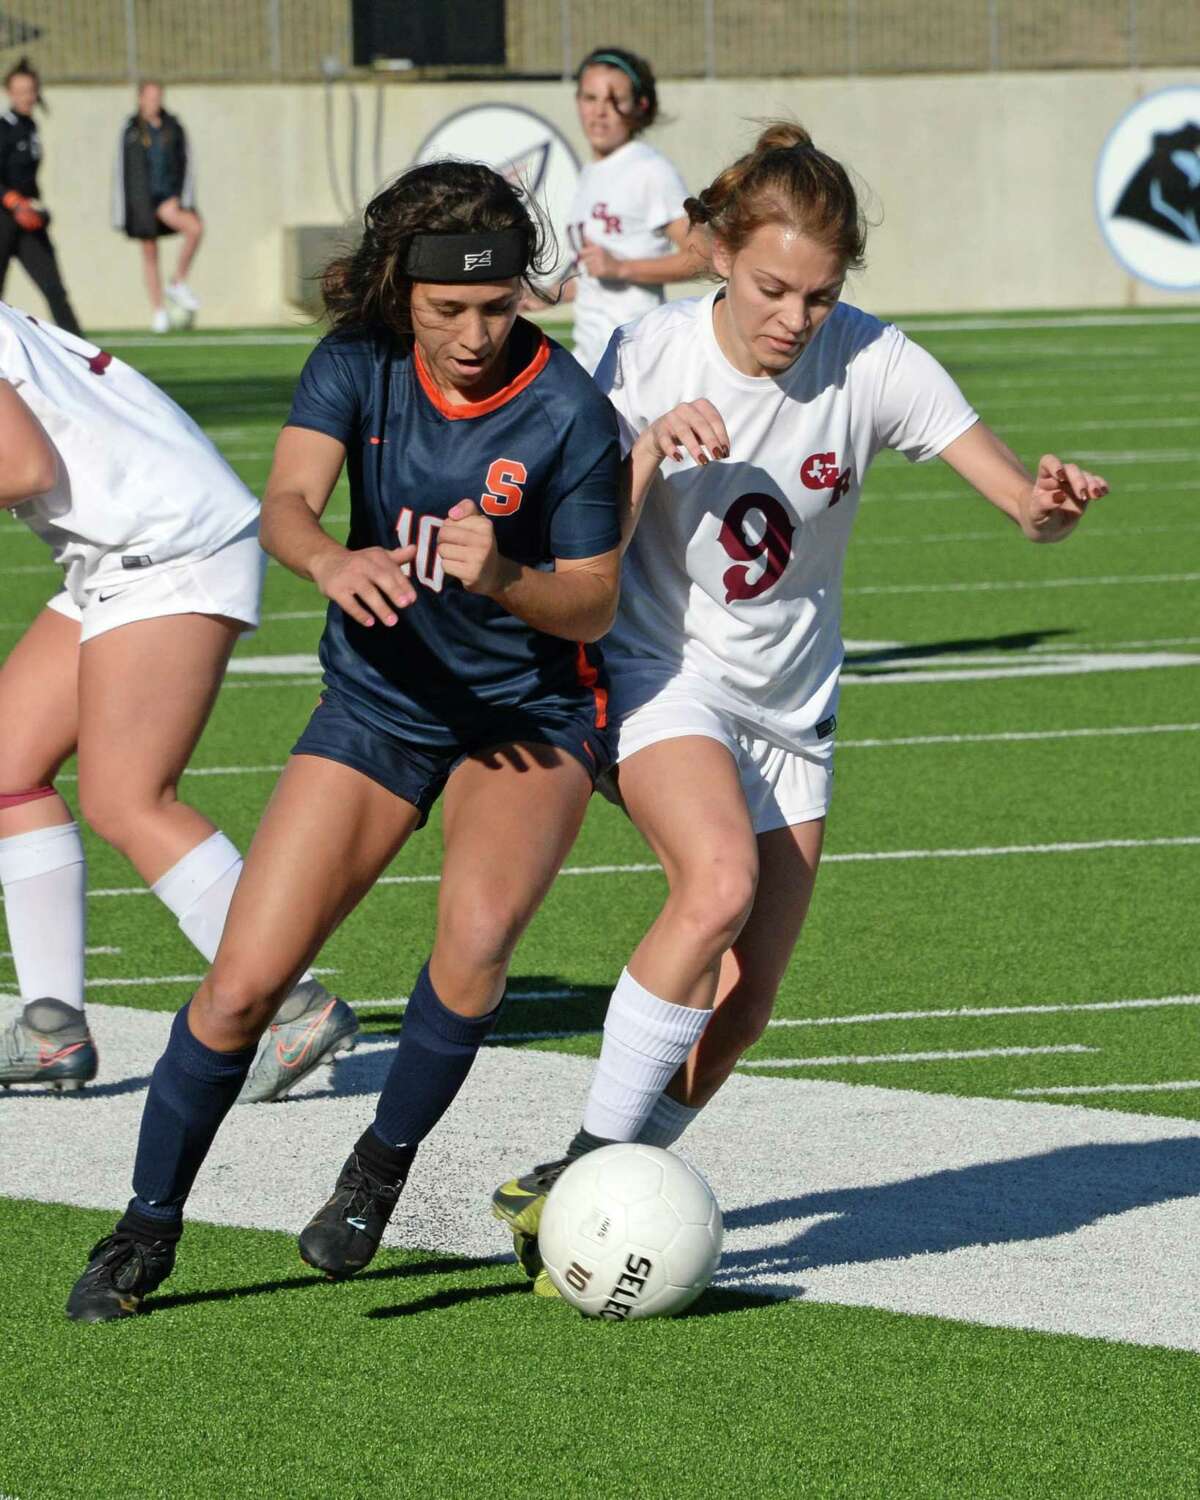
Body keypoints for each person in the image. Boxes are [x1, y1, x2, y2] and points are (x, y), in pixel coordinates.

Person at [491, 122, 1111, 1292]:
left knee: (749, 1003)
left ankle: (593, 1192)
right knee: (715, 887)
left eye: (819, 296)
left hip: (794, 711)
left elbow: (1017, 503)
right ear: (721, 254)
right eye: (773, 287)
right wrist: (644, 455)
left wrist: (1052, 503)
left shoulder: (875, 360)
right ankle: (583, 1179)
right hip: (661, 671)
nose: (794, 317)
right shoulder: (648, 354)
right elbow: (585, 564)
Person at [64, 159, 623, 1323]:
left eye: (500, 305)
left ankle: (379, 1165)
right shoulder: (355, 365)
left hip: (525, 723)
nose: (475, 334)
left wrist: (510, 576)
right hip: (375, 708)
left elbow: (596, 603)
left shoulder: (570, 411)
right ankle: (146, 1224)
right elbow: (283, 504)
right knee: (242, 989)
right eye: (446, 311)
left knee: (473, 944)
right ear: (397, 291)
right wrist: (329, 558)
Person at [0, 304, 357, 1106]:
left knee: (127, 798)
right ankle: (50, 1026)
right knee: (8, 766)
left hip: (166, 544)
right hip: (132, 542)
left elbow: (21, 467)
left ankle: (293, 1000)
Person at [553, 46, 705, 374]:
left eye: (614, 100)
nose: (600, 112)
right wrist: (549, 293)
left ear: (640, 106)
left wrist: (623, 268)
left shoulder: (649, 170)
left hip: (635, 360)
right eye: (590, 98)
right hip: (591, 356)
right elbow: (599, 276)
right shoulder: (590, 174)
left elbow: (703, 255)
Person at [0, 58, 82, 337]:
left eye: (31, 90)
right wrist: (13, 201)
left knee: (54, 287)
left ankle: (81, 358)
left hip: (26, 220)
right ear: (10, 92)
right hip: (4, 218)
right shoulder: (3, 128)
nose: (27, 96)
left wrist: (36, 208)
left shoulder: (31, 126)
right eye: (20, 90)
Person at [113, 80, 203, 334]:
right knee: (150, 253)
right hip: (141, 202)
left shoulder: (172, 127)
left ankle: (177, 282)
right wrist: (127, 211)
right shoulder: (130, 130)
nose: (154, 102)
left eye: (158, 97)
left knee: (194, 228)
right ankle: (159, 311)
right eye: (150, 97)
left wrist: (181, 198)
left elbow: (186, 163)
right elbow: (122, 173)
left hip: (167, 198)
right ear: (140, 98)